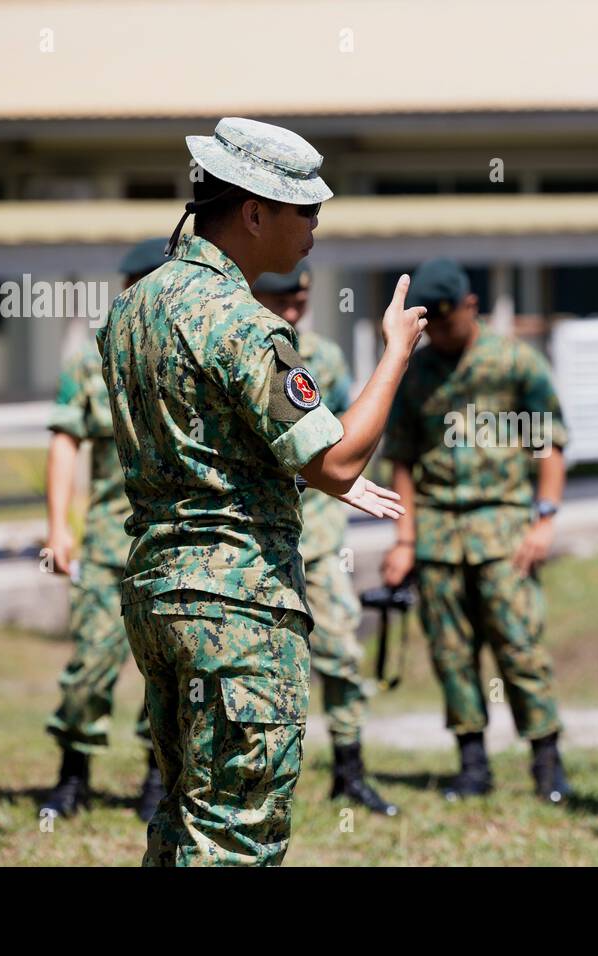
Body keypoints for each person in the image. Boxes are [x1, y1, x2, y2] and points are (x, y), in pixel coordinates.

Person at [99, 117, 425, 866]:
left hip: (161, 594)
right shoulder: (242, 324)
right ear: (252, 212)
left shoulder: (133, 309)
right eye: (303, 211)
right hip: (236, 607)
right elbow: (336, 463)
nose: (313, 230)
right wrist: (395, 355)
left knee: (185, 822)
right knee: (238, 836)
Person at [380, 257, 571, 802]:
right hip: (439, 535)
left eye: (447, 322)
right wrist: (404, 540)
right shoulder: (415, 374)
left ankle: (547, 762)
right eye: (430, 326)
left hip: (504, 529)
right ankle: (472, 766)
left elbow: (551, 444)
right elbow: (403, 458)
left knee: (520, 646)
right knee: (451, 653)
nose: (439, 334)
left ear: (470, 307)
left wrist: (546, 519)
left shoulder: (514, 364)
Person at [253, 263, 397, 816]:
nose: (293, 303)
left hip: (320, 533)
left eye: (302, 295)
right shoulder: (246, 344)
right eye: (281, 292)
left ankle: (350, 770)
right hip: (259, 536)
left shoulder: (325, 358)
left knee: (340, 649)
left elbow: (335, 442)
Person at [40, 238, 169, 822]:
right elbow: (65, 443)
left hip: (167, 541)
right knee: (91, 662)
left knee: (165, 670)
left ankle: (155, 775)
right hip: (105, 538)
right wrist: (58, 530)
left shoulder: (182, 352)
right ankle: (73, 773)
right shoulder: (89, 360)